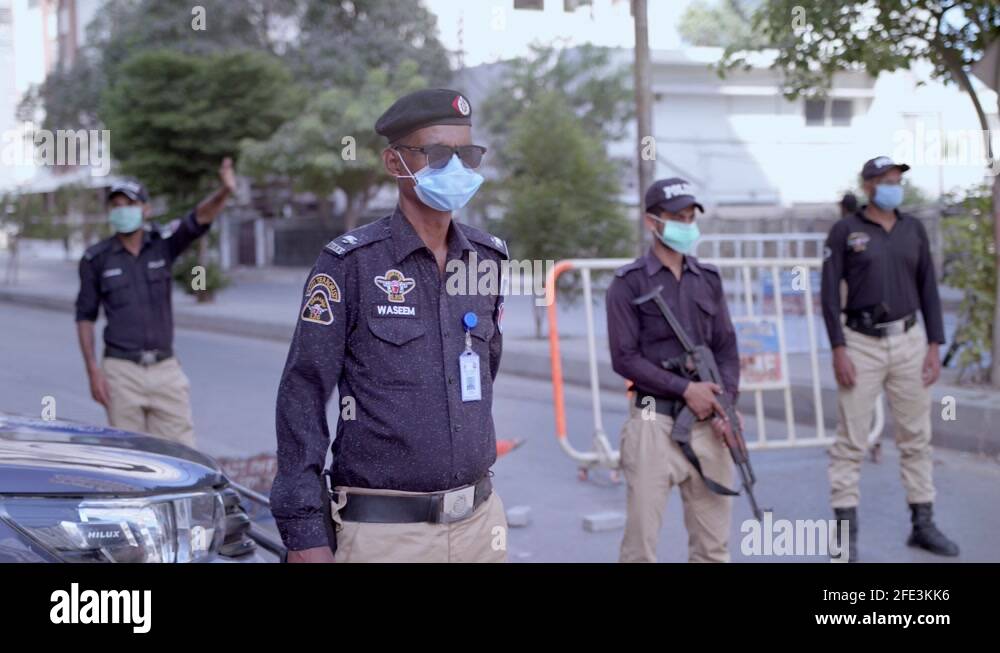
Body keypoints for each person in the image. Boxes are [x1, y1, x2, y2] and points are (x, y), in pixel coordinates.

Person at [272, 89, 510, 563]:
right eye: (438, 154)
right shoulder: (351, 263)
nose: (456, 167)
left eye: (467, 154)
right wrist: (303, 530)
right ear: (394, 161)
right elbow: (303, 390)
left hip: (480, 526)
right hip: (384, 535)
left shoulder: (487, 259)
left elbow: (485, 371)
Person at [821, 156, 959, 561]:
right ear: (867, 187)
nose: (893, 186)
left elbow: (929, 289)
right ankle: (846, 534)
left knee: (917, 437)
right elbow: (829, 295)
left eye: (897, 179)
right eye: (885, 180)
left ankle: (923, 523)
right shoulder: (845, 232)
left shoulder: (913, 229)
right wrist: (838, 348)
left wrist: (935, 345)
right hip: (860, 343)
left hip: (909, 341)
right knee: (851, 440)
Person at [606, 178, 741, 563]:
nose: (686, 224)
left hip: (708, 425)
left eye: (689, 217)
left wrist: (726, 404)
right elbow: (624, 358)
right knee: (640, 548)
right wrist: (685, 388)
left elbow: (726, 347)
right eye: (676, 217)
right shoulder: (627, 284)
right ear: (652, 222)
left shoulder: (708, 280)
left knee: (713, 549)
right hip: (653, 423)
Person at [75, 159, 236, 448]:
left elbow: (197, 219)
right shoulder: (95, 259)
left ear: (146, 210)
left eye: (130, 204)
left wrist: (224, 191)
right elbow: (84, 316)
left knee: (183, 455)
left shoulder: (163, 243)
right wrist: (93, 371)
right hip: (120, 372)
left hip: (165, 370)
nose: (122, 210)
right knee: (130, 460)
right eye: (116, 205)